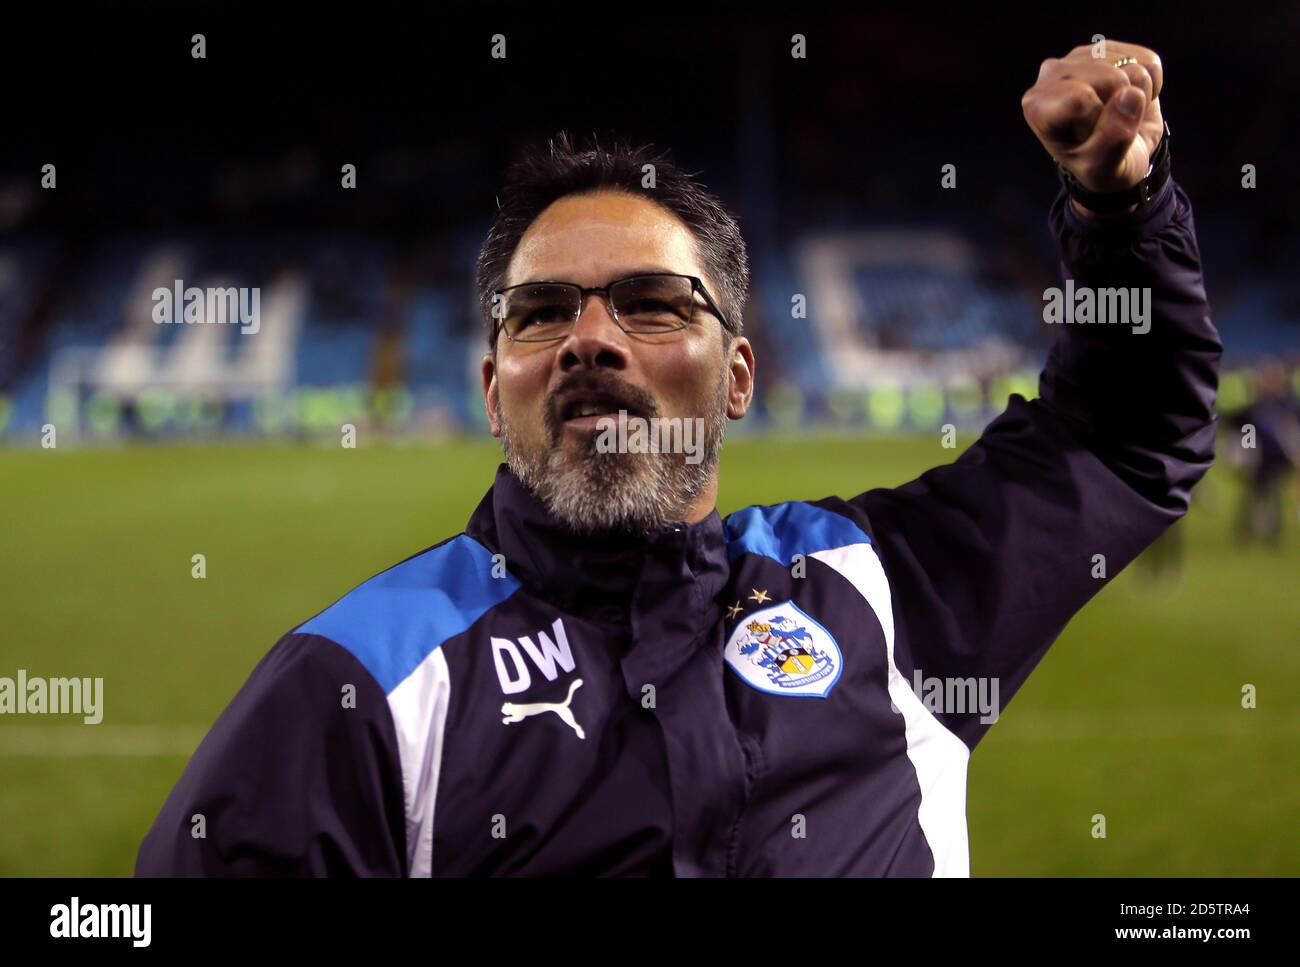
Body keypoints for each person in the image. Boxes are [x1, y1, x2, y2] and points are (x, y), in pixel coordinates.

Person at [137, 40, 1220, 876]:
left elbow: (1123, 436)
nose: (590, 338)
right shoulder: (357, 680)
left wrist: (1120, 209)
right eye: (540, 312)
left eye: (653, 304)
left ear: (739, 376)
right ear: (491, 389)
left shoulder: (881, 594)